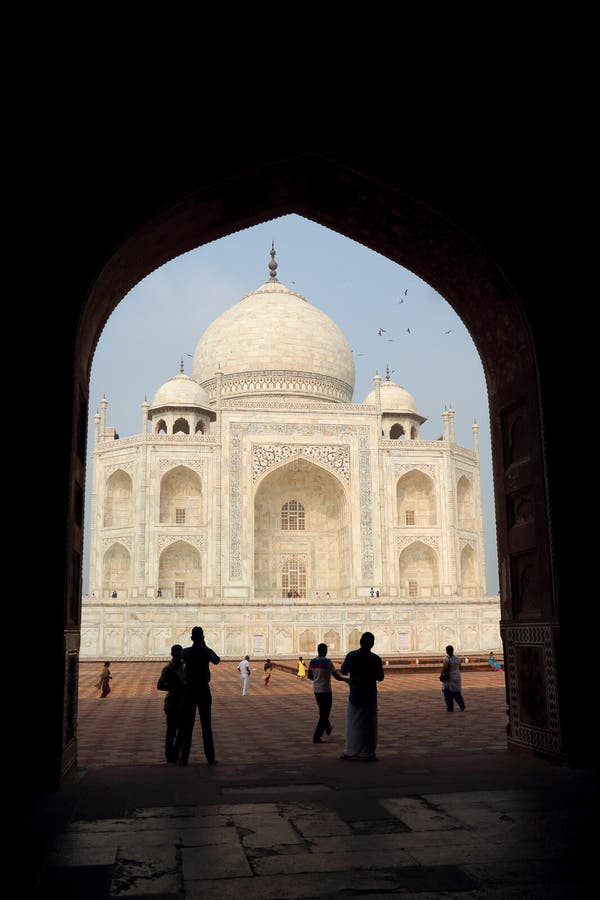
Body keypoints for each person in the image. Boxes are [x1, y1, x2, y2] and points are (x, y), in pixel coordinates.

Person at [179, 626, 220, 765]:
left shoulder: (186, 652)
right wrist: (205, 646)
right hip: (203, 689)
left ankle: (184, 758)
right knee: (206, 726)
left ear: (191, 638)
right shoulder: (205, 652)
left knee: (187, 726)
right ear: (202, 638)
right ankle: (210, 758)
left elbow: (179, 659)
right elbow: (216, 659)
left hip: (190, 690)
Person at [340, 632, 384, 761]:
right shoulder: (375, 659)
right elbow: (380, 677)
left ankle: (351, 751)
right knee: (368, 725)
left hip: (355, 694)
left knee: (353, 724)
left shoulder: (352, 656)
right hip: (370, 694)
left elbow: (343, 670)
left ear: (360, 641)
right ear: (372, 644)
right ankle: (368, 753)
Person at [307, 642, 349, 743]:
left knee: (323, 711)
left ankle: (328, 728)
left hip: (316, 690)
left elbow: (309, 676)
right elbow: (336, 676)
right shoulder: (327, 662)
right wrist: (345, 680)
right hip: (325, 690)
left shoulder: (312, 662)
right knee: (324, 714)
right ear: (325, 651)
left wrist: (317, 679)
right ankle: (317, 737)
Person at [157, 644, 185, 764]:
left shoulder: (184, 667)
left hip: (182, 703)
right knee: (172, 731)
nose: (179, 655)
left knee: (181, 731)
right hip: (173, 703)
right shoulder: (168, 669)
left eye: (180, 653)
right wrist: (174, 687)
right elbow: (160, 685)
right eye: (177, 653)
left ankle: (176, 755)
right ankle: (171, 757)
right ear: (173, 654)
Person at [441, 645, 466, 712]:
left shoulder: (446, 659)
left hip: (449, 678)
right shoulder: (458, 658)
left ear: (447, 651)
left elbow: (445, 668)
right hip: (457, 677)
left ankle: (450, 708)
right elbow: (459, 667)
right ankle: (461, 704)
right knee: (457, 693)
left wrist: (441, 673)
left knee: (447, 693)